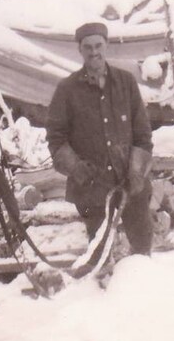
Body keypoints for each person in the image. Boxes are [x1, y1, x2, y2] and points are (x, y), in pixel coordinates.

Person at [45, 21, 154, 255]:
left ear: (106, 45)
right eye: (87, 47)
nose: (94, 52)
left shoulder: (126, 83)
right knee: (99, 254)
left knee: (142, 249)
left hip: (130, 185)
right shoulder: (67, 89)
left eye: (98, 45)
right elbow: (55, 138)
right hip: (91, 188)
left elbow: (143, 135)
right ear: (79, 49)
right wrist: (76, 169)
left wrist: (136, 172)